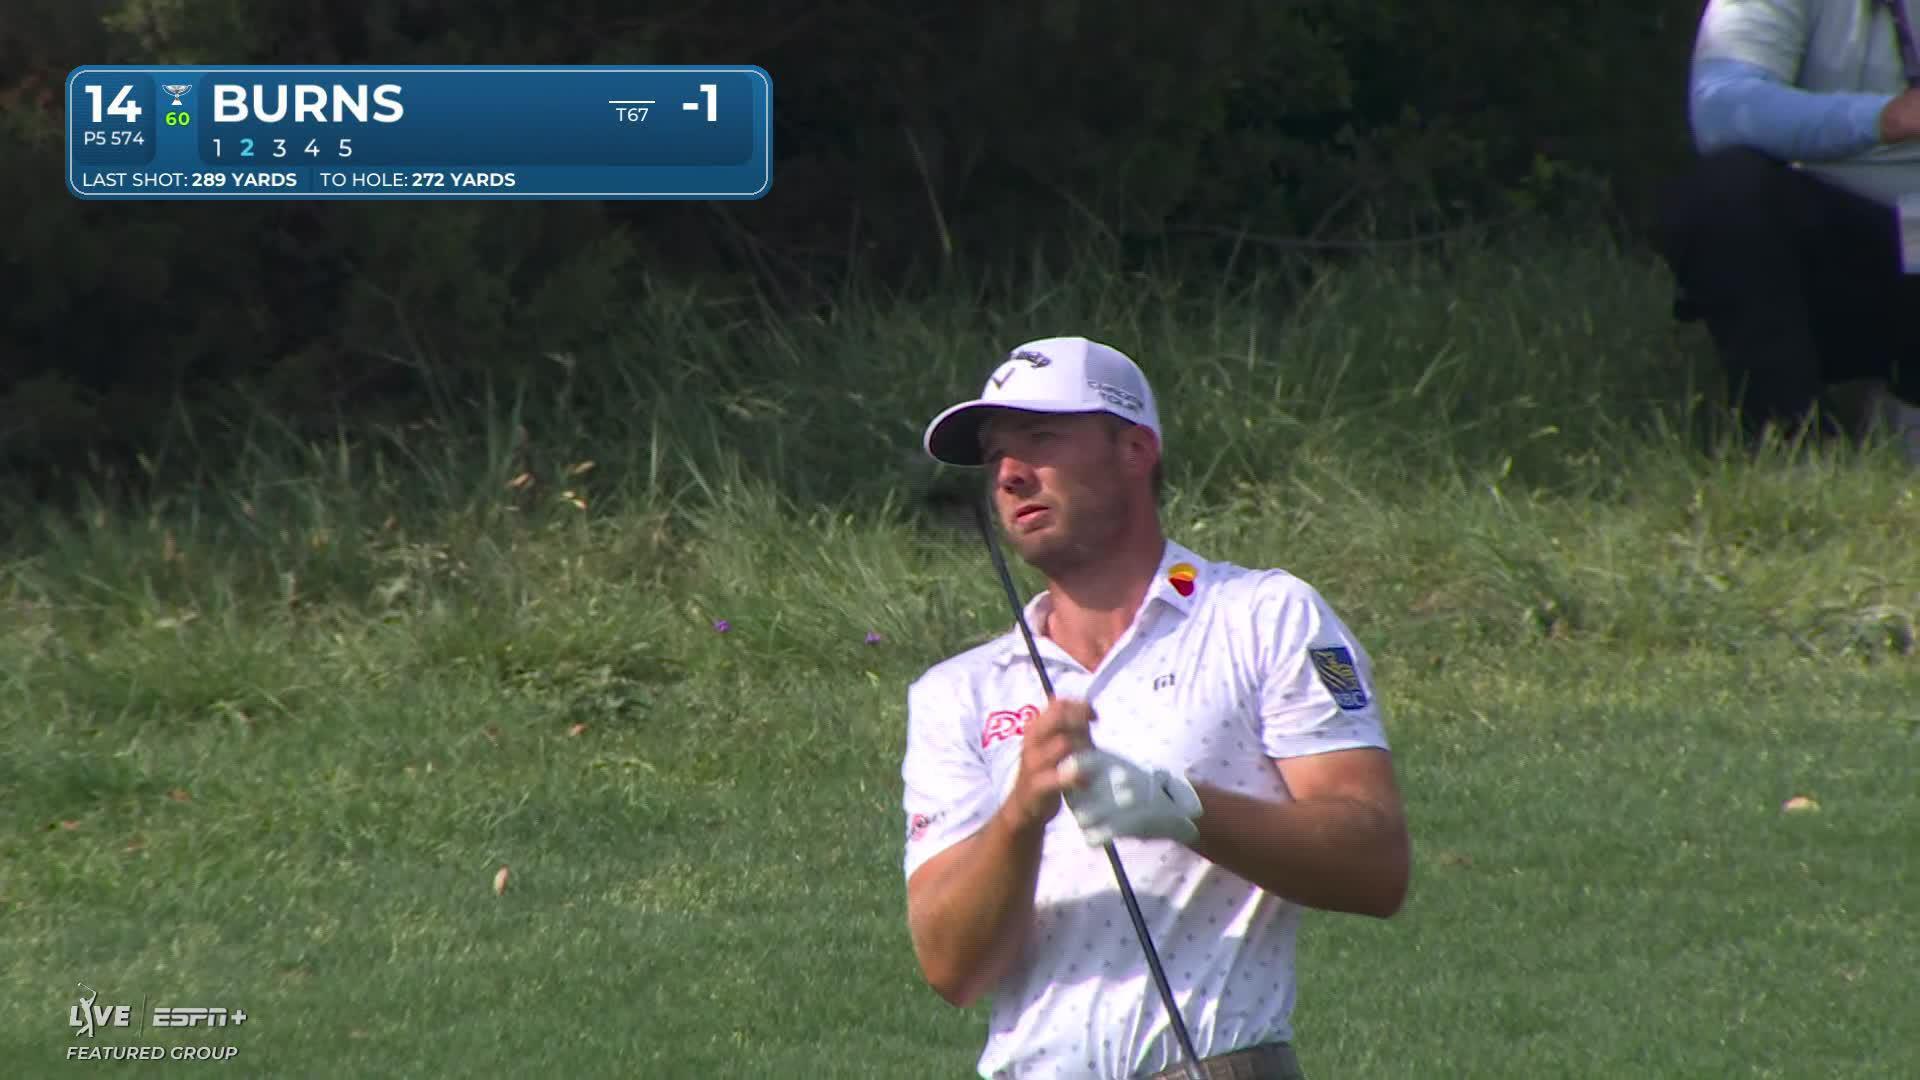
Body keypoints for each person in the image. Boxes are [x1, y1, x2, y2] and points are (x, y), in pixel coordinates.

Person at [898, 336, 1412, 1080]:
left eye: (1041, 439)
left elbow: (1376, 866)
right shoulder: (958, 691)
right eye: (995, 454)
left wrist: (1181, 807)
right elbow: (952, 968)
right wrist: (1020, 817)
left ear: (1136, 449)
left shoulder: (1265, 615)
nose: (1009, 474)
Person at [1654, 0, 1920, 455]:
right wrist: (1884, 118)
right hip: (1846, 246)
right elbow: (1723, 108)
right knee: (1724, 192)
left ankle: (1903, 406)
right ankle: (1791, 435)